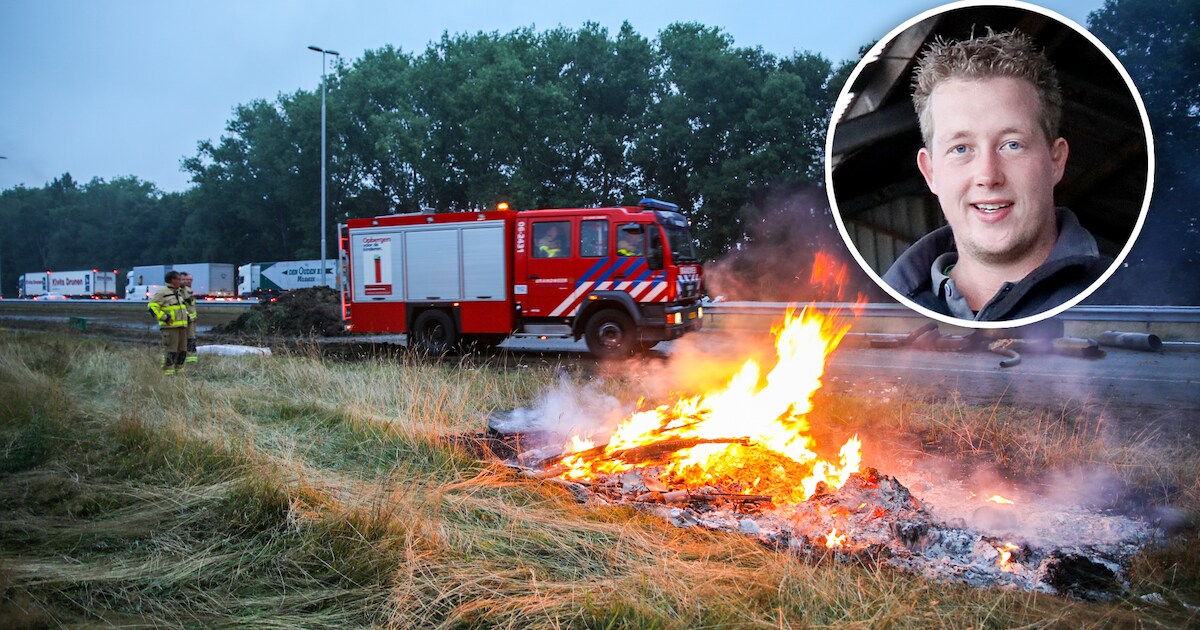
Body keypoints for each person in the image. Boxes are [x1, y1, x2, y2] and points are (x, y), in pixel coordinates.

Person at [882, 30, 1109, 322]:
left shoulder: (1140, 300)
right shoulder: (860, 319)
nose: (988, 176)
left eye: (1012, 145)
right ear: (930, 172)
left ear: (1056, 160)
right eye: (961, 148)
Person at [148, 271, 189, 375]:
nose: (181, 281)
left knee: (183, 351)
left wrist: (187, 317)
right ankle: (168, 373)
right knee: (171, 351)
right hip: (170, 328)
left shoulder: (179, 292)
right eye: (179, 279)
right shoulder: (162, 293)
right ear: (172, 280)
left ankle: (179, 372)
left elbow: (181, 308)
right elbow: (152, 307)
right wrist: (165, 318)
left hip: (182, 327)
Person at [179, 272, 198, 363]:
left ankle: (191, 360)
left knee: (191, 339)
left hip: (191, 320)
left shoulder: (188, 290)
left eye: (190, 280)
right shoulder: (178, 291)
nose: (188, 282)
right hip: (183, 320)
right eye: (185, 280)